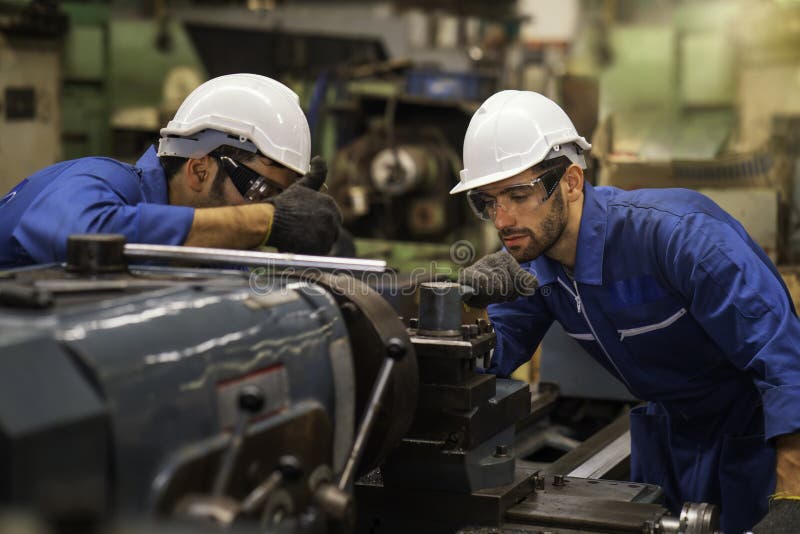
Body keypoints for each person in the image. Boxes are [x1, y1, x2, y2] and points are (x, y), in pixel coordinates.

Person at [454, 90, 800, 533]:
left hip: (756, 442)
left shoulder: (681, 239)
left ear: (573, 181)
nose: (502, 220)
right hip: (667, 440)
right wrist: (463, 307)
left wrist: (791, 499)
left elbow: (785, 363)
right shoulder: (537, 269)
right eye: (488, 202)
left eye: (518, 195)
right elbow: (489, 357)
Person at [0, 73, 342, 267]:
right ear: (199, 170)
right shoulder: (104, 179)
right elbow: (82, 236)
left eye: (283, 201)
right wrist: (267, 222)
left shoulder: (198, 241)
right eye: (263, 193)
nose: (267, 207)